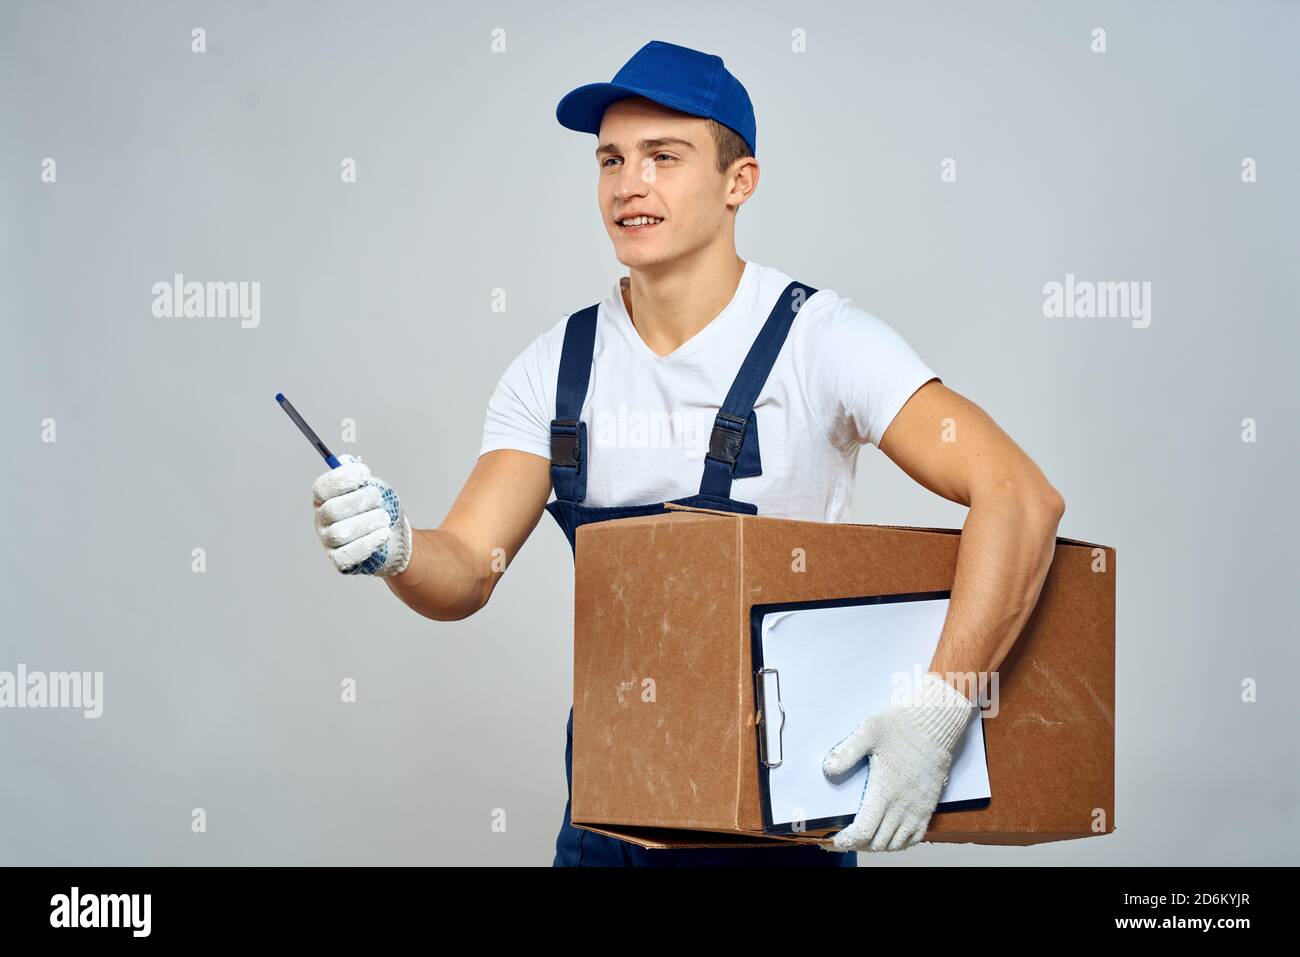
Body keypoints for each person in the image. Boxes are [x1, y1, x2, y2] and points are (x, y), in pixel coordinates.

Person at [309, 40, 1065, 867]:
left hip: (779, 831)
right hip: (604, 822)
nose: (629, 184)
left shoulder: (823, 343)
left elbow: (1018, 496)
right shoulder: (555, 369)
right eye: (611, 159)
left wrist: (938, 710)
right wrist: (399, 546)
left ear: (738, 182)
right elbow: (466, 570)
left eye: (664, 157)